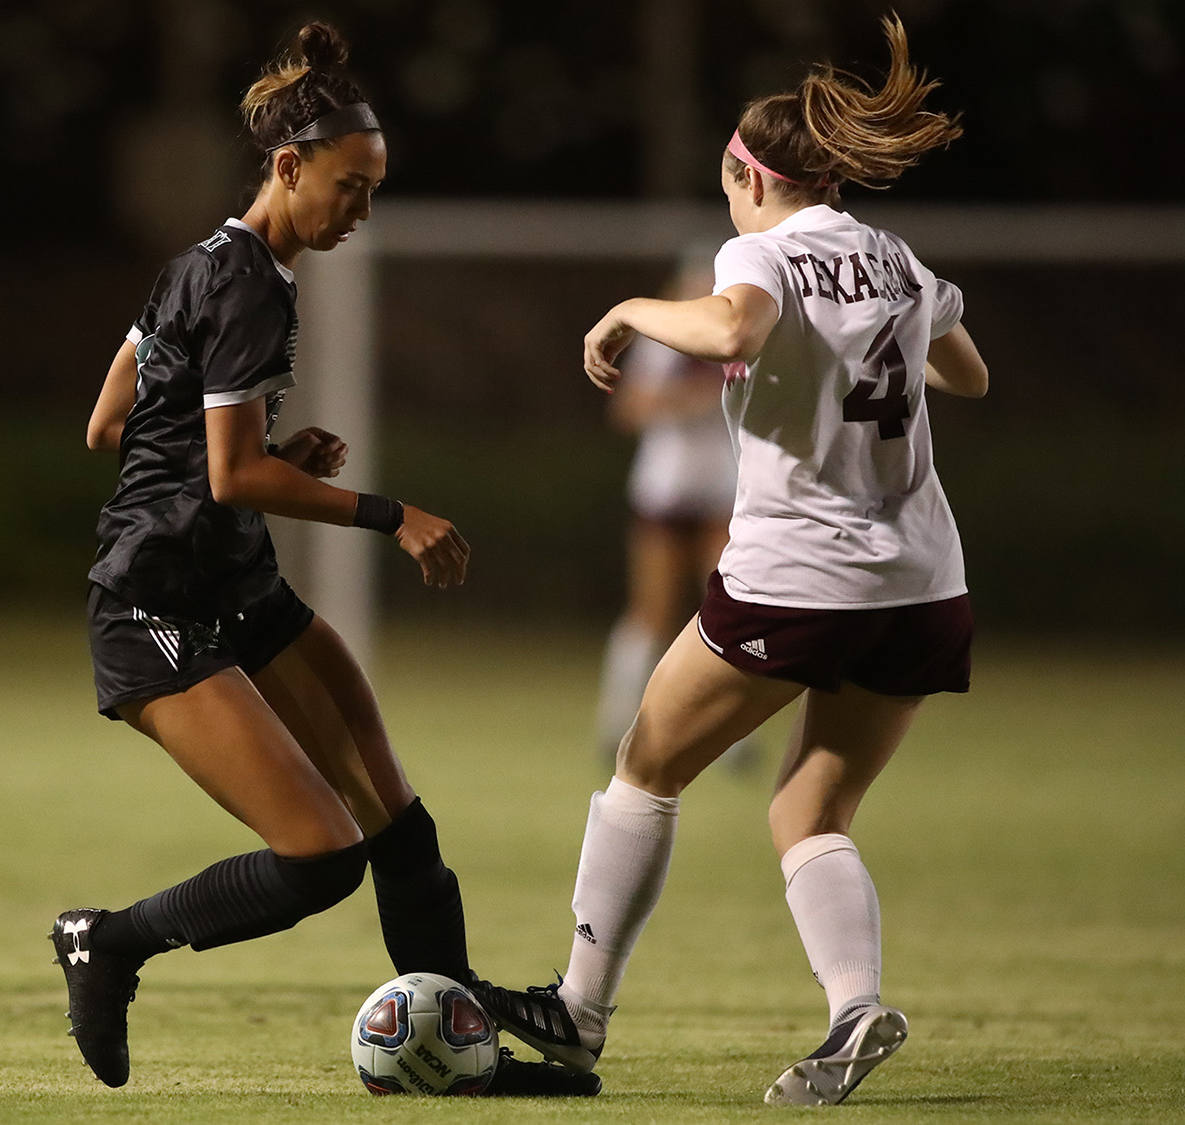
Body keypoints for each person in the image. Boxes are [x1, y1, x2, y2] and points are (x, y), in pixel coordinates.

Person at [52, 22, 596, 1098]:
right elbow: (226, 479)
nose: (360, 209)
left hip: (237, 584)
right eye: (347, 187)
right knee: (320, 855)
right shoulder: (250, 283)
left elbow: (109, 420)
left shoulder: (197, 263)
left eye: (373, 190)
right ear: (288, 167)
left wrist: (260, 452)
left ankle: (456, 1055)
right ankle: (107, 942)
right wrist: (389, 514)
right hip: (155, 604)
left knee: (396, 819)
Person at [474, 16, 987, 1105]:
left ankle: (575, 1012)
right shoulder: (894, 257)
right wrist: (873, 347)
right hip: (923, 584)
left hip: (801, 577)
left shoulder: (756, 250)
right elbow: (968, 374)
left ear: (739, 171)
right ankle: (854, 1008)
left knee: (644, 766)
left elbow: (734, 330)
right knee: (808, 812)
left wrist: (622, 310)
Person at [592, 253, 749, 770]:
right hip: (664, 491)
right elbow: (628, 409)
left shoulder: (748, 338)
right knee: (651, 614)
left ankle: (732, 737)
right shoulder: (665, 343)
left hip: (725, 493)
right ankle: (617, 723)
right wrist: (690, 399)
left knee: (732, 613)